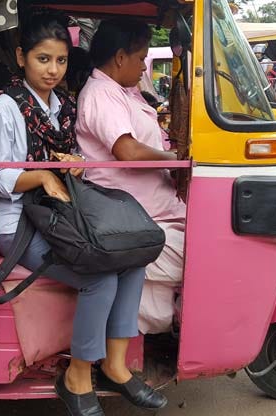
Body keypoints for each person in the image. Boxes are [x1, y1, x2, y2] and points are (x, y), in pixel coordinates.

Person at [0, 15, 167, 416]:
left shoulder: (62, 107)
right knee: (100, 278)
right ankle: (77, 377)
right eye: (43, 59)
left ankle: (116, 366)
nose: (53, 70)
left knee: (132, 261)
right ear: (21, 57)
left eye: (61, 60)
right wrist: (42, 176)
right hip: (20, 224)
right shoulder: (6, 108)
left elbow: (70, 163)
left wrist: (74, 166)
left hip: (60, 216)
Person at [74, 18, 186, 337]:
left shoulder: (124, 91)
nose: (143, 67)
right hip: (135, 217)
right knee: (206, 253)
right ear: (121, 57)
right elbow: (128, 151)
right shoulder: (100, 94)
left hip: (156, 210)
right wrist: (177, 160)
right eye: (141, 58)